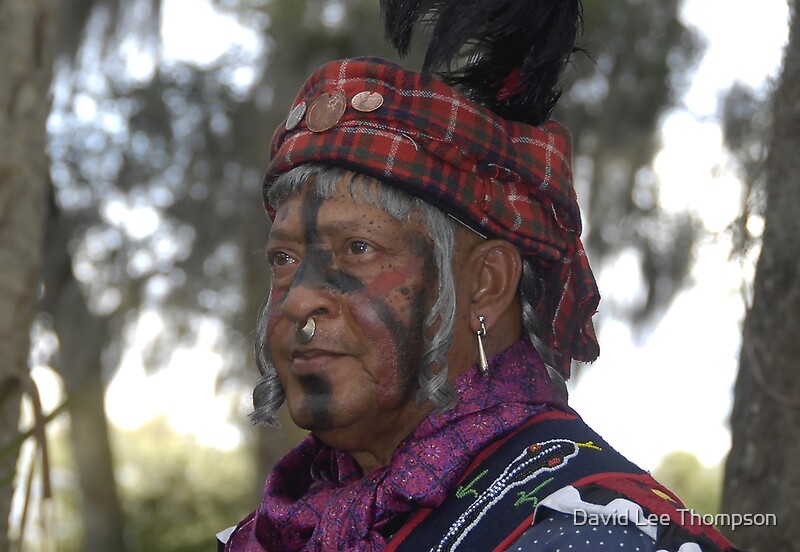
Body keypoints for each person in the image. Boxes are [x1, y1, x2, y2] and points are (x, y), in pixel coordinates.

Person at [221, 0, 743, 550]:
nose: (299, 302)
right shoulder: (286, 523)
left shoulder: (597, 532)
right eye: (284, 259)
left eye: (358, 248)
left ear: (487, 284)